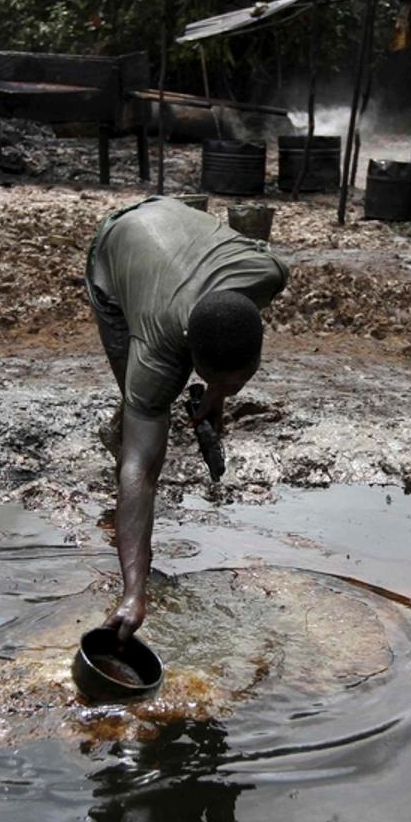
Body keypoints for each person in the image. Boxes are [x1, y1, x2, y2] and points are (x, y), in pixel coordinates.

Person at [85, 196, 288, 641]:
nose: (232, 392)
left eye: (238, 384)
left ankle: (143, 413)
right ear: (189, 360)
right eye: (218, 382)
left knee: (151, 402)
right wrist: (133, 593)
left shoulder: (267, 275)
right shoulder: (158, 354)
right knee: (139, 422)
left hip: (179, 224)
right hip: (117, 247)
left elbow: (228, 336)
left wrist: (217, 393)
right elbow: (143, 472)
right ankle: (119, 431)